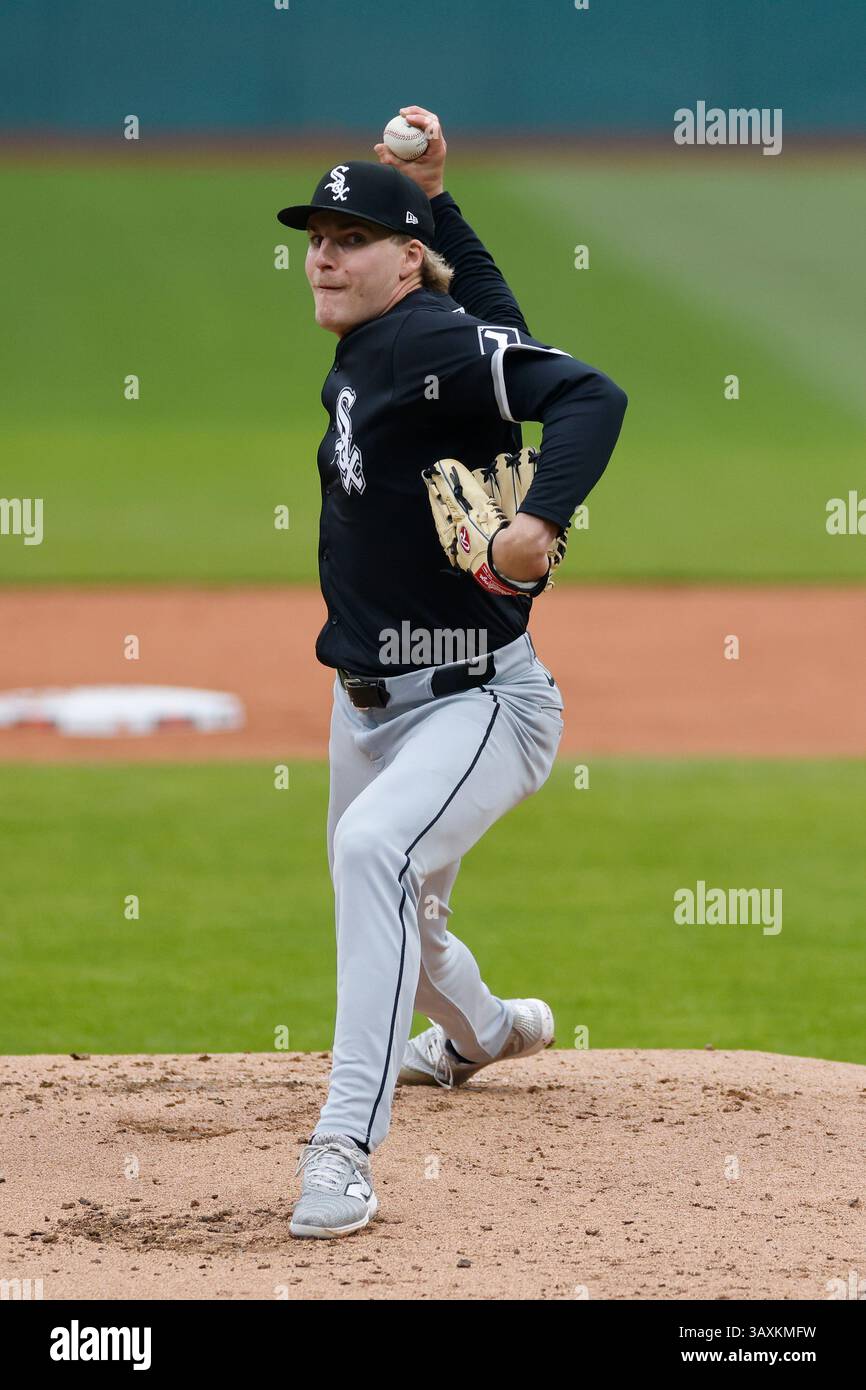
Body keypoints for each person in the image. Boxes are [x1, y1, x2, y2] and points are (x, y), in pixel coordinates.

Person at [276, 106, 627, 1238]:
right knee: (411, 928)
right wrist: (438, 197)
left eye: (351, 239)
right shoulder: (404, 339)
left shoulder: (421, 341)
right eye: (316, 239)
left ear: (404, 261)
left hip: (479, 700)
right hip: (367, 704)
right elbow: (503, 327)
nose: (323, 257)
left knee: (370, 853)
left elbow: (590, 392)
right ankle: (486, 1033)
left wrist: (541, 519)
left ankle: (342, 1145)